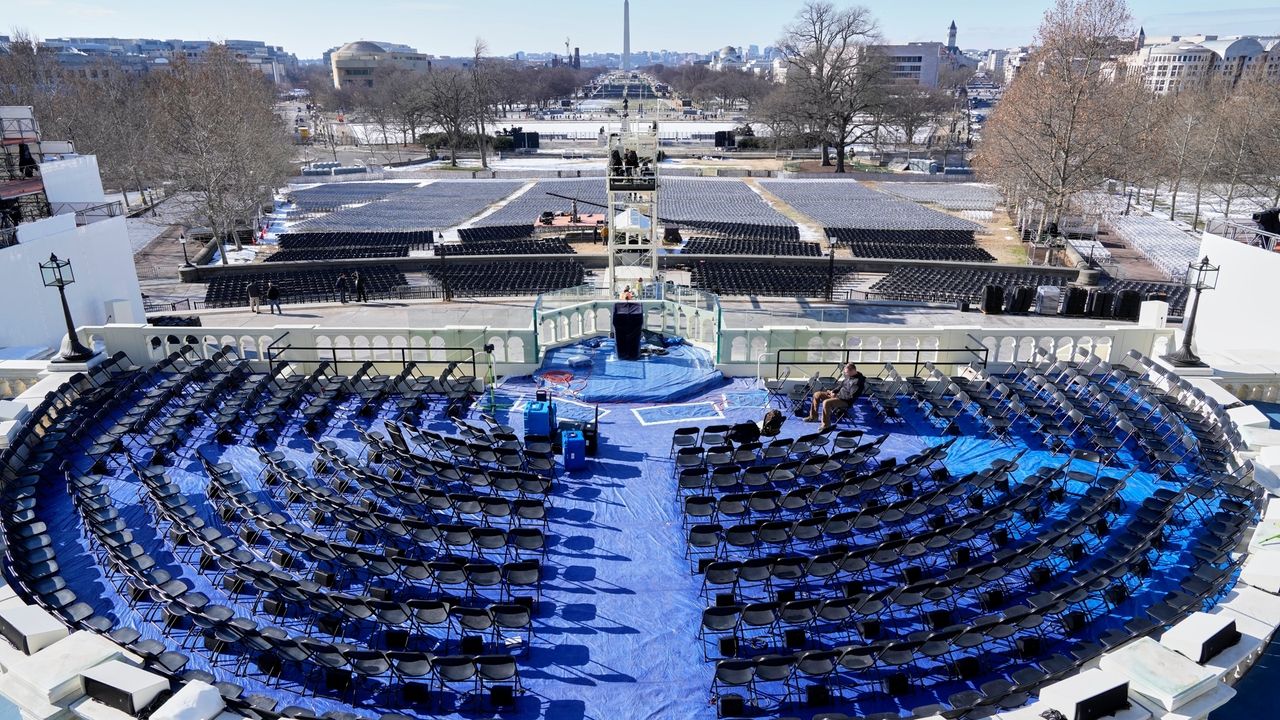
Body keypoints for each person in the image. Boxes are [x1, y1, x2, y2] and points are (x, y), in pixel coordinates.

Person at [805, 362, 866, 432]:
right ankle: (813, 417)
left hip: (846, 401)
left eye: (846, 372)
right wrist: (833, 391)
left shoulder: (857, 382)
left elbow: (851, 396)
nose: (845, 374)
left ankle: (826, 425)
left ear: (852, 371)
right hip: (839, 396)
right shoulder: (849, 376)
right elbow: (841, 385)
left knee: (826, 402)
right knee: (817, 394)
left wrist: (837, 396)